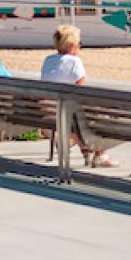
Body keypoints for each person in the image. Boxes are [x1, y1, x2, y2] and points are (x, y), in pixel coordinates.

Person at [40, 24, 112, 167]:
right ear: (72, 45)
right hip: (67, 116)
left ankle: (87, 152)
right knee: (93, 115)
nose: (80, 46)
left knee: (75, 116)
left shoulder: (48, 60)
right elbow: (81, 92)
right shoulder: (75, 62)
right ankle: (100, 154)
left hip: (48, 115)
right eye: (79, 43)